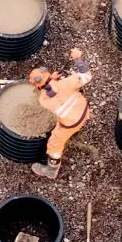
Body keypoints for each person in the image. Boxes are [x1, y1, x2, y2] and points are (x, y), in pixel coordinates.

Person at [28, 48, 90, 180]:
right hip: (84, 111)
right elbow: (86, 75)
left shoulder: (43, 100)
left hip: (70, 124)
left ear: (38, 86)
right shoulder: (67, 83)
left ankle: (51, 171)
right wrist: (78, 59)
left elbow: (49, 90)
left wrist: (50, 81)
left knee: (54, 144)